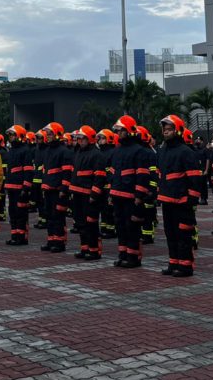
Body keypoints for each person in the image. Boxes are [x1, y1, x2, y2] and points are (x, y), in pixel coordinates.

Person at [157, 115, 200, 278]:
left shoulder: (186, 152)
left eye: (170, 129)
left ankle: (186, 266)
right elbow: (161, 175)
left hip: (183, 202)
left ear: (178, 131)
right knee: (171, 234)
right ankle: (173, 262)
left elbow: (194, 178)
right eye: (165, 130)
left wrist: (192, 199)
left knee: (183, 235)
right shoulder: (162, 151)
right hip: (168, 200)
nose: (166, 132)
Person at [109, 115, 148, 268]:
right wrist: (112, 193)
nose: (118, 133)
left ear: (129, 131)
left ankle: (133, 257)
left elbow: (142, 175)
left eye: (120, 130)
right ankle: (123, 254)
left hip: (131, 197)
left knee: (132, 227)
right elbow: (113, 173)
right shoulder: (117, 151)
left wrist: (139, 196)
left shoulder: (139, 151)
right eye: (117, 131)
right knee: (120, 226)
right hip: (118, 195)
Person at [68, 125, 106, 259]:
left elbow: (99, 176)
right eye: (78, 139)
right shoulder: (78, 153)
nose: (79, 141)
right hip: (78, 193)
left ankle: (94, 250)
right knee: (80, 223)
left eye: (82, 139)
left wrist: (94, 194)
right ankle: (85, 249)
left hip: (89, 196)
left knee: (91, 223)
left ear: (89, 139)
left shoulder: (97, 154)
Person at [39, 122, 72, 253]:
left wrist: (64, 189)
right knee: (49, 216)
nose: (48, 136)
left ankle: (59, 242)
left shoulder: (64, 151)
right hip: (48, 189)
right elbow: (45, 171)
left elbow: (67, 172)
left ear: (58, 134)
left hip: (58, 191)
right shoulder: (48, 150)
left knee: (58, 217)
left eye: (50, 133)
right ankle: (51, 240)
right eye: (47, 134)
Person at [3, 125, 33, 245]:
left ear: (19, 136)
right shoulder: (12, 150)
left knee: (21, 214)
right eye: (9, 135)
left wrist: (26, 187)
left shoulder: (25, 150)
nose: (10, 137)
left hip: (21, 188)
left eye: (12, 135)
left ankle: (22, 237)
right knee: (13, 213)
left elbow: (28, 170)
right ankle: (14, 235)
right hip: (11, 188)